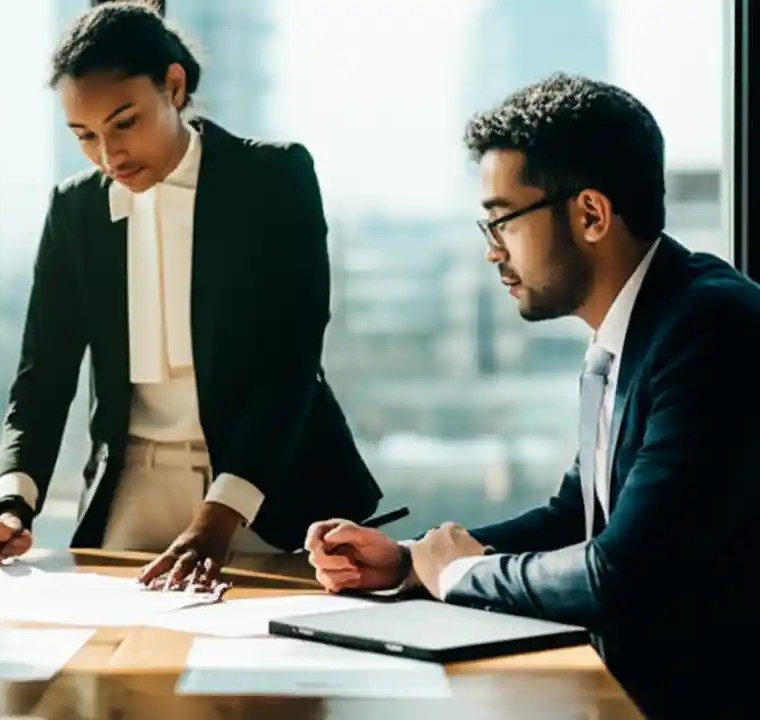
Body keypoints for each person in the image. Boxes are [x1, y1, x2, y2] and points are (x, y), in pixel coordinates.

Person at [305, 74, 755, 717]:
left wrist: (457, 575)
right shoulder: (632, 332)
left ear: (592, 215)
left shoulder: (711, 330)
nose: (492, 254)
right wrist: (410, 562)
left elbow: (618, 574)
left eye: (503, 223)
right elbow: (576, 516)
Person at [0, 1, 380, 586]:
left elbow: (291, 365)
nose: (109, 156)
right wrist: (12, 503)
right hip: (132, 496)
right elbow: (42, 377)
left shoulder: (275, 180)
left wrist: (219, 515)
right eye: (84, 136)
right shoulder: (75, 209)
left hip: (269, 498)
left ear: (174, 87)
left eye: (125, 122)